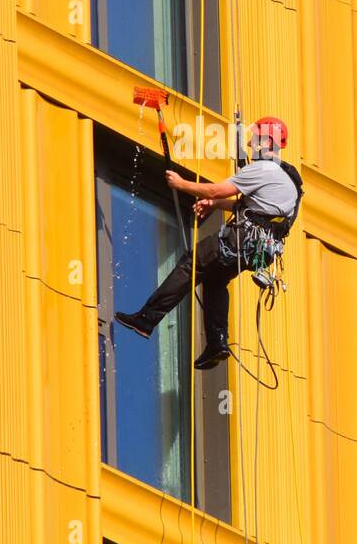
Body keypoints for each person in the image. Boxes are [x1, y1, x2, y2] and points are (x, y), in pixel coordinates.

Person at [114, 116, 301, 369]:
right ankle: (217, 343)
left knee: (192, 263)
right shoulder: (288, 181)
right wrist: (214, 205)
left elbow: (217, 190)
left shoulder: (261, 170)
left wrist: (182, 184)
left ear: (265, 140)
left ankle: (146, 319)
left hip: (241, 240)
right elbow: (251, 207)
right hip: (261, 249)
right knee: (215, 280)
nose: (248, 141)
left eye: (253, 137)